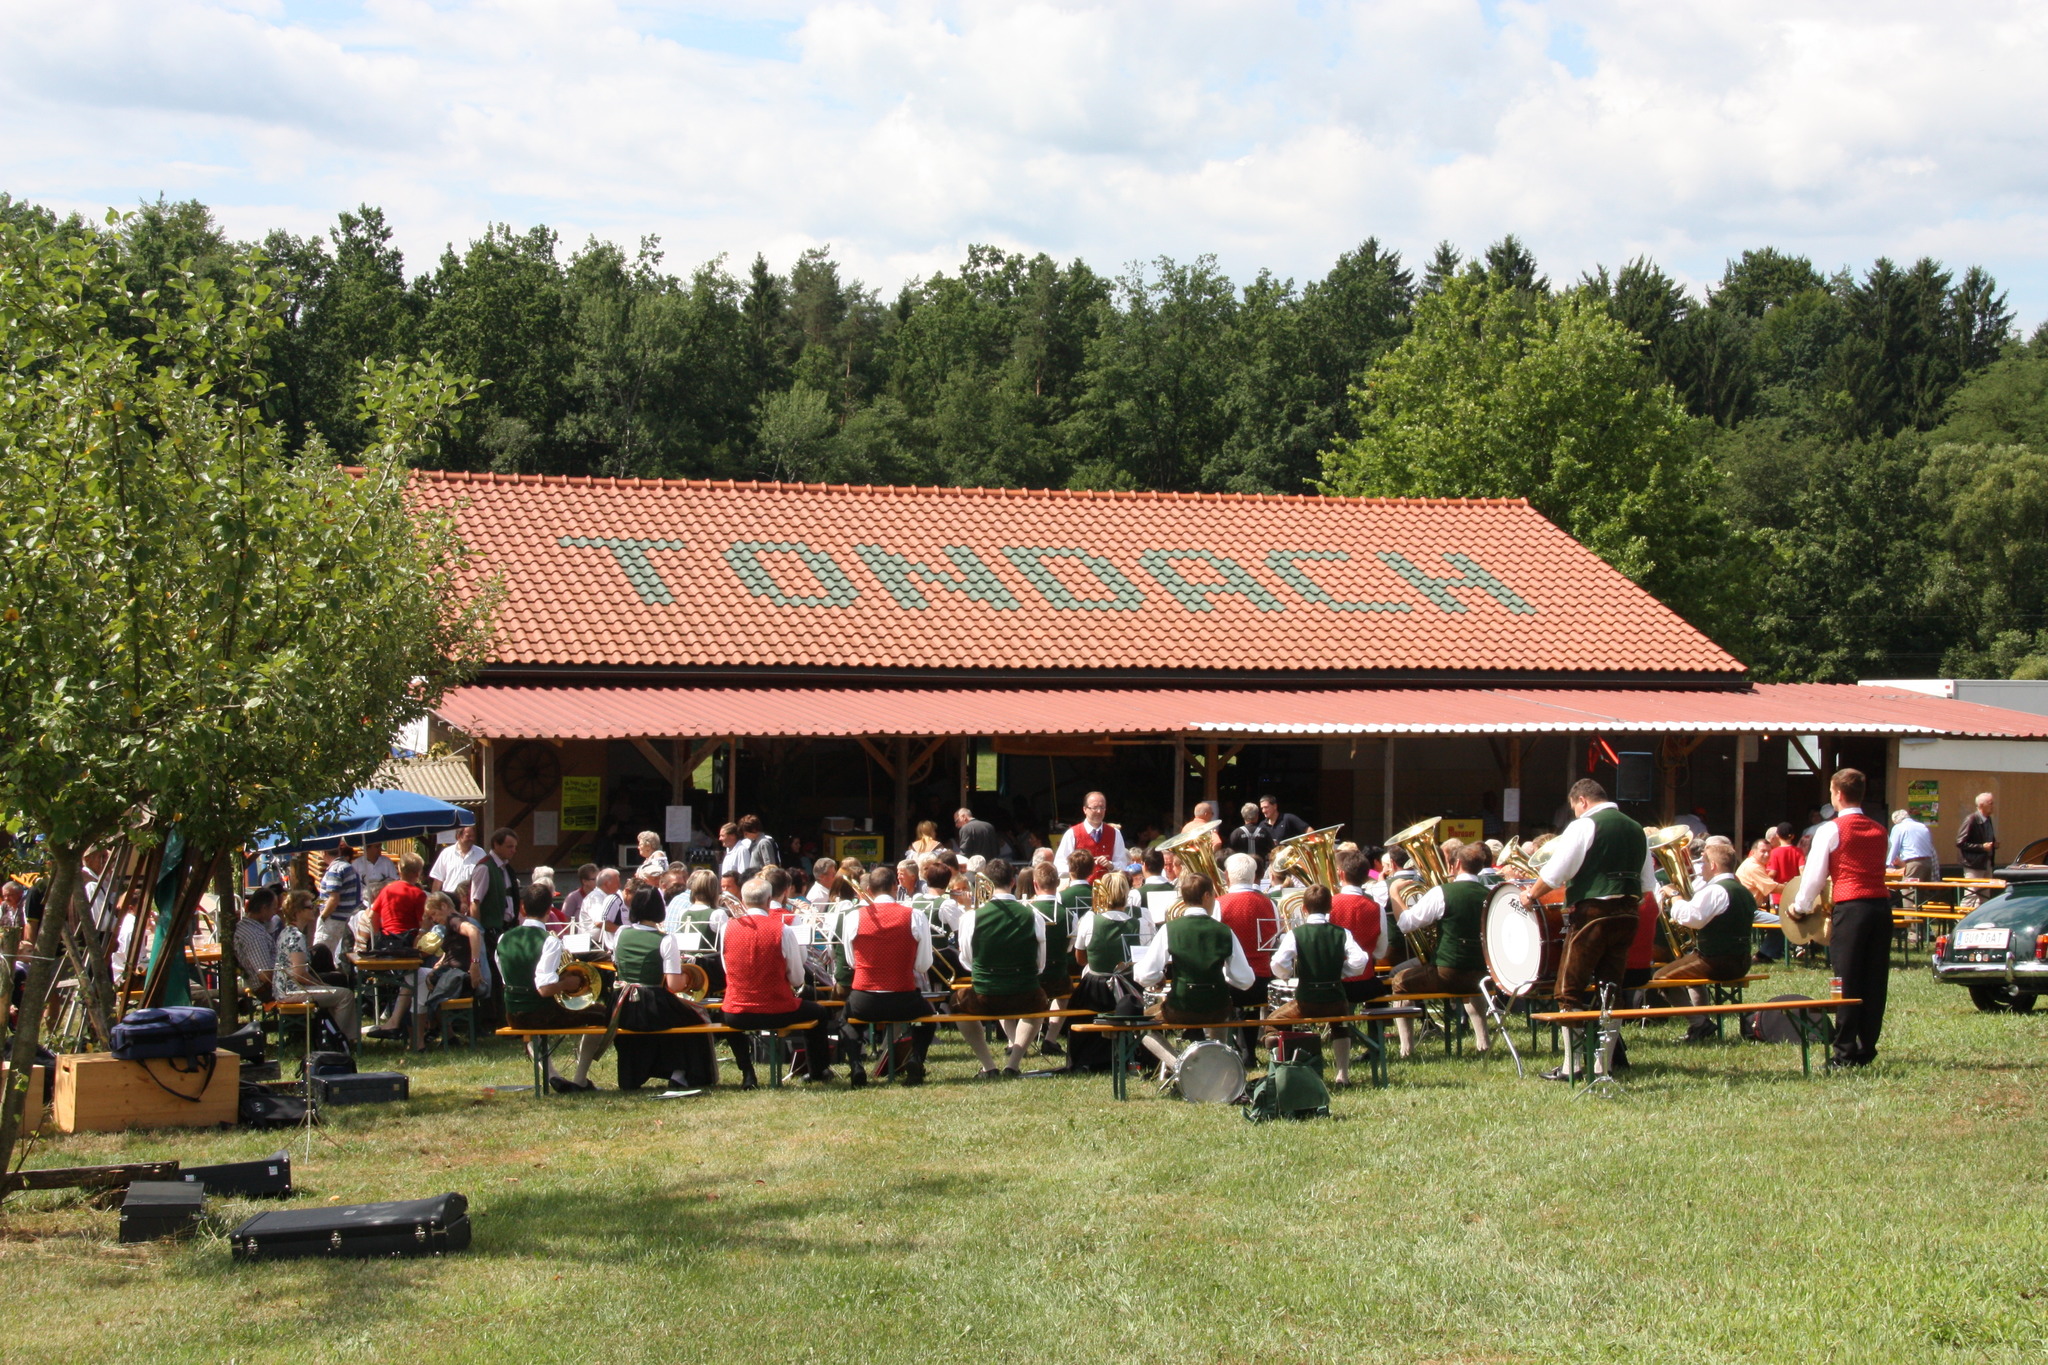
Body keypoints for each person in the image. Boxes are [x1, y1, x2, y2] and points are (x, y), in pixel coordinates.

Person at [1519, 778, 1654, 1078]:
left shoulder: (1584, 825)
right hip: (1629, 914)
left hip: (1593, 913)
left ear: (1582, 800)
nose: (1575, 814)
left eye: (1574, 808)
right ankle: (1603, 1064)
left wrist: (1530, 895)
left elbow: (1557, 871)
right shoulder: (1636, 828)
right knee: (1610, 988)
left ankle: (1572, 1066)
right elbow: (1646, 884)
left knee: (1569, 989)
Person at [1791, 768, 1892, 1069]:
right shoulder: (1879, 829)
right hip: (1881, 907)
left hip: (1852, 907)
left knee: (1845, 980)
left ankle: (1844, 1052)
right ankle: (1866, 1046)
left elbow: (1814, 876)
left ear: (1837, 793)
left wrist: (1800, 907)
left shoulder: (1831, 829)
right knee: (1874, 981)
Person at [718, 877, 834, 1087]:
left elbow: (727, 969)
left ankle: (747, 1072)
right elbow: (798, 978)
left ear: (742, 901)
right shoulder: (783, 930)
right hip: (777, 1010)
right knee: (819, 1012)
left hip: (737, 1012)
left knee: (725, 1014)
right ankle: (817, 1069)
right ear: (769, 900)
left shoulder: (727, 929)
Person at [497, 883, 605, 1093]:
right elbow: (544, 989)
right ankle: (580, 1079)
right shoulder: (549, 941)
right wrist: (567, 983)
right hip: (541, 1013)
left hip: (512, 1013)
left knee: (530, 1028)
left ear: (522, 908)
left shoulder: (503, 939)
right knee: (601, 1014)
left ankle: (553, 1076)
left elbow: (505, 979)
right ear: (549, 910)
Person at [838, 866, 939, 1086]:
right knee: (928, 1020)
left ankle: (856, 1065)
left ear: (869, 889)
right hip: (903, 997)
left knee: (845, 1022)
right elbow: (923, 965)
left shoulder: (854, 917)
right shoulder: (915, 915)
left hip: (865, 997)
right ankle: (916, 1060)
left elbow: (851, 962)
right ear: (896, 886)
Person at [1391, 841, 1494, 1056]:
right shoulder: (1490, 893)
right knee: (1472, 987)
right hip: (1483, 972)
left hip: (1449, 972)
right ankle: (1483, 1041)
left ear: (1455, 865)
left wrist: (1394, 893)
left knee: (1400, 981)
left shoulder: (1442, 892)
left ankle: (1406, 1049)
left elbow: (1406, 923)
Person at [1267, 885, 1374, 1083]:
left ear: (1304, 909)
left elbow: (1277, 964)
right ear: (1330, 908)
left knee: (1271, 1022)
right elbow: (1360, 961)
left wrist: (1288, 974)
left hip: (1306, 1002)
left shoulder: (1295, 934)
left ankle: (1285, 1070)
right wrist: (1342, 972)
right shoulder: (1342, 933)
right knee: (1340, 1026)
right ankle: (1343, 1074)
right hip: (1335, 1000)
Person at [612, 887, 716, 1091]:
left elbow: (617, 964)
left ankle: (633, 1074)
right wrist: (687, 975)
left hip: (622, 1005)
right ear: (660, 910)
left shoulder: (621, 933)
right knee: (696, 1017)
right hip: (650, 1003)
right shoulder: (666, 940)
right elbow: (674, 985)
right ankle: (681, 1072)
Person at [1652, 840, 1757, 1041]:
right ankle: (1700, 1022)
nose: (1701, 870)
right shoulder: (1742, 890)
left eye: (1704, 864)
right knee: (1689, 971)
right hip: (1742, 960)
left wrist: (1674, 895)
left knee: (1660, 978)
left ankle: (1700, 1024)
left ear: (1714, 866)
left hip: (1716, 960)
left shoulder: (1716, 890)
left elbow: (1691, 918)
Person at [954, 858, 1049, 1078]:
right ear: (1013, 881)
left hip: (986, 995)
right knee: (1039, 999)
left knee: (957, 1003)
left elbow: (967, 960)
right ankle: (1013, 1064)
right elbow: (1039, 964)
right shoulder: (1034, 915)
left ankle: (988, 1066)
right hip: (1024, 993)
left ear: (985, 882)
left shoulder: (971, 917)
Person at [1134, 872, 1255, 1041]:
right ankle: (1219, 1055)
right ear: (1206, 896)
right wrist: (1222, 978)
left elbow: (1144, 976)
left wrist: (1160, 976)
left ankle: (1176, 1062)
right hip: (1217, 1009)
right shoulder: (1225, 931)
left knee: (1140, 1024)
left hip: (1181, 1008)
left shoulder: (1169, 929)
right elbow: (1245, 980)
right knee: (1221, 1012)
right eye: (1213, 894)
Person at [367, 891, 483, 1045]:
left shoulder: (453, 920)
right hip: (453, 976)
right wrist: (441, 961)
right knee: (416, 980)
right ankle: (436, 1038)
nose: (434, 919)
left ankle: (410, 1034)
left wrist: (475, 964)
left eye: (434, 914)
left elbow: (473, 932)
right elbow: (457, 949)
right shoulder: (454, 921)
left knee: (414, 977)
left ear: (444, 905)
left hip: (458, 980)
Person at [274, 889, 362, 1046]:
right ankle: (337, 1040)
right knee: (345, 995)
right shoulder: (296, 937)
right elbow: (299, 974)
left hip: (286, 989)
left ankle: (345, 1039)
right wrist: (322, 985)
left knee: (337, 993)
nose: (314, 909)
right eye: (310, 906)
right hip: (292, 991)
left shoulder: (287, 932)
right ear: (298, 911)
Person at [1213, 852, 1277, 1062]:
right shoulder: (1270, 904)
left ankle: (1229, 1051)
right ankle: (1247, 1052)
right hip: (1262, 983)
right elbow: (1275, 941)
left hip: (1228, 984)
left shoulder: (1218, 904)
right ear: (1255, 876)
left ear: (1226, 876)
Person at [1329, 848, 1388, 1005]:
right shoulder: (1377, 908)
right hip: (1366, 982)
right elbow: (1380, 952)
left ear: (1341, 874)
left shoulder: (1328, 905)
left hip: (1334, 983)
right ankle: (1376, 1029)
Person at [1028, 862, 1072, 1059]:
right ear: (1057, 883)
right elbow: (1069, 947)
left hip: (1031, 975)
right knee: (1064, 993)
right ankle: (1051, 1038)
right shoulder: (1069, 914)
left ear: (1035, 884)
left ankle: (1015, 1041)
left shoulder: (1026, 910)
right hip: (1057, 974)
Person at [467, 828, 523, 981]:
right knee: (494, 976)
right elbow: (475, 902)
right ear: (496, 845)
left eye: (515, 847)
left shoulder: (505, 869)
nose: (514, 851)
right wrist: (479, 932)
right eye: (509, 846)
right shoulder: (485, 868)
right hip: (490, 932)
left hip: (505, 929)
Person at [1054, 792, 1126, 882]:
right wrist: (1080, 869)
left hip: (1107, 891)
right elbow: (1059, 865)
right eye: (1095, 808)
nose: (1099, 811)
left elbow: (1123, 864)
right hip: (1081, 891)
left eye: (1102, 807)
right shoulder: (1072, 833)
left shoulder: (1115, 833)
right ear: (1085, 809)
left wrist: (1110, 865)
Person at [1888, 807, 1939, 930]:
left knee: (1908, 894)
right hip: (1928, 862)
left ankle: (1913, 931)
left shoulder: (1899, 827)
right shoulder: (1922, 827)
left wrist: (1888, 865)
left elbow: (1893, 847)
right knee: (1922, 896)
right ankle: (1926, 930)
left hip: (1913, 863)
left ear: (1896, 821)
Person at [369, 852, 429, 952]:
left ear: (399, 870)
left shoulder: (387, 890)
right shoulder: (419, 894)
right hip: (408, 941)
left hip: (386, 940)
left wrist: (377, 935)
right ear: (418, 873)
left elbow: (372, 916)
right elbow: (422, 922)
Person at [315, 842, 364, 958]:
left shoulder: (335, 870)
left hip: (333, 920)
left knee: (320, 955)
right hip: (347, 919)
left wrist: (322, 917)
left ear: (324, 853)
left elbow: (333, 899)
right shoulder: (349, 868)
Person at [232, 886, 281, 1003]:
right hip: (271, 989)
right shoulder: (254, 936)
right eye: (274, 909)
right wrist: (293, 975)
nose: (275, 913)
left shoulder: (249, 926)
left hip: (274, 984)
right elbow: (265, 975)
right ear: (264, 908)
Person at [1957, 792, 1998, 905]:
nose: (1993, 806)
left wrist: (1993, 844)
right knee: (1971, 895)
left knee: (1985, 895)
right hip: (1973, 864)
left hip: (1987, 863)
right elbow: (1960, 842)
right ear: (1981, 805)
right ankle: (1961, 920)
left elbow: (1985, 837)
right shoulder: (1971, 819)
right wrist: (1981, 847)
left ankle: (1981, 920)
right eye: (1990, 803)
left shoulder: (1988, 819)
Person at [429, 823, 485, 896]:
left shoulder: (480, 853)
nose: (471, 839)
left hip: (471, 898)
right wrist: (434, 899)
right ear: (458, 836)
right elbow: (438, 879)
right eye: (468, 836)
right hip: (450, 899)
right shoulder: (446, 853)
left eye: (473, 836)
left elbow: (485, 878)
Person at [1224, 802, 1273, 867]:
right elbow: (1272, 851)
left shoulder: (1236, 833)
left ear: (1243, 815)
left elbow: (1229, 853)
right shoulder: (1264, 832)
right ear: (1257, 816)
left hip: (1241, 869)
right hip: (1261, 870)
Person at [560, 864, 600, 929]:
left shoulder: (602, 895)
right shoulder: (573, 897)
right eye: (594, 879)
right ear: (584, 881)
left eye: (599, 878)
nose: (598, 881)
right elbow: (564, 920)